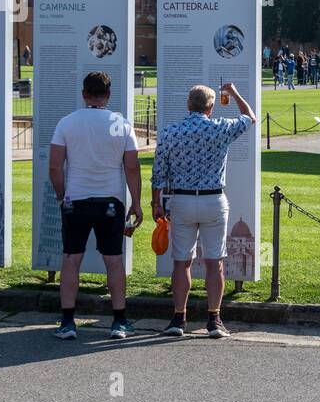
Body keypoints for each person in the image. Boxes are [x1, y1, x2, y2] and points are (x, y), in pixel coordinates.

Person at [151, 82, 256, 338]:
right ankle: (214, 319)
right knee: (214, 262)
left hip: (182, 201)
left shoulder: (170, 133)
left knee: (181, 262)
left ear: (189, 105)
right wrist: (232, 92)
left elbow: (158, 174)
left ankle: (179, 317)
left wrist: (156, 203)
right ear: (210, 107)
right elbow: (249, 117)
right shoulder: (220, 128)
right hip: (213, 201)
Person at [49, 71, 143, 341]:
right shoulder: (122, 124)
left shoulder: (67, 123)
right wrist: (135, 203)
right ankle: (119, 320)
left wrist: (61, 195)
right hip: (110, 201)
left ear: (84, 94)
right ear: (109, 94)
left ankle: (68, 322)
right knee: (113, 260)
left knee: (71, 258)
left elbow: (55, 165)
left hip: (75, 199)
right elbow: (132, 167)